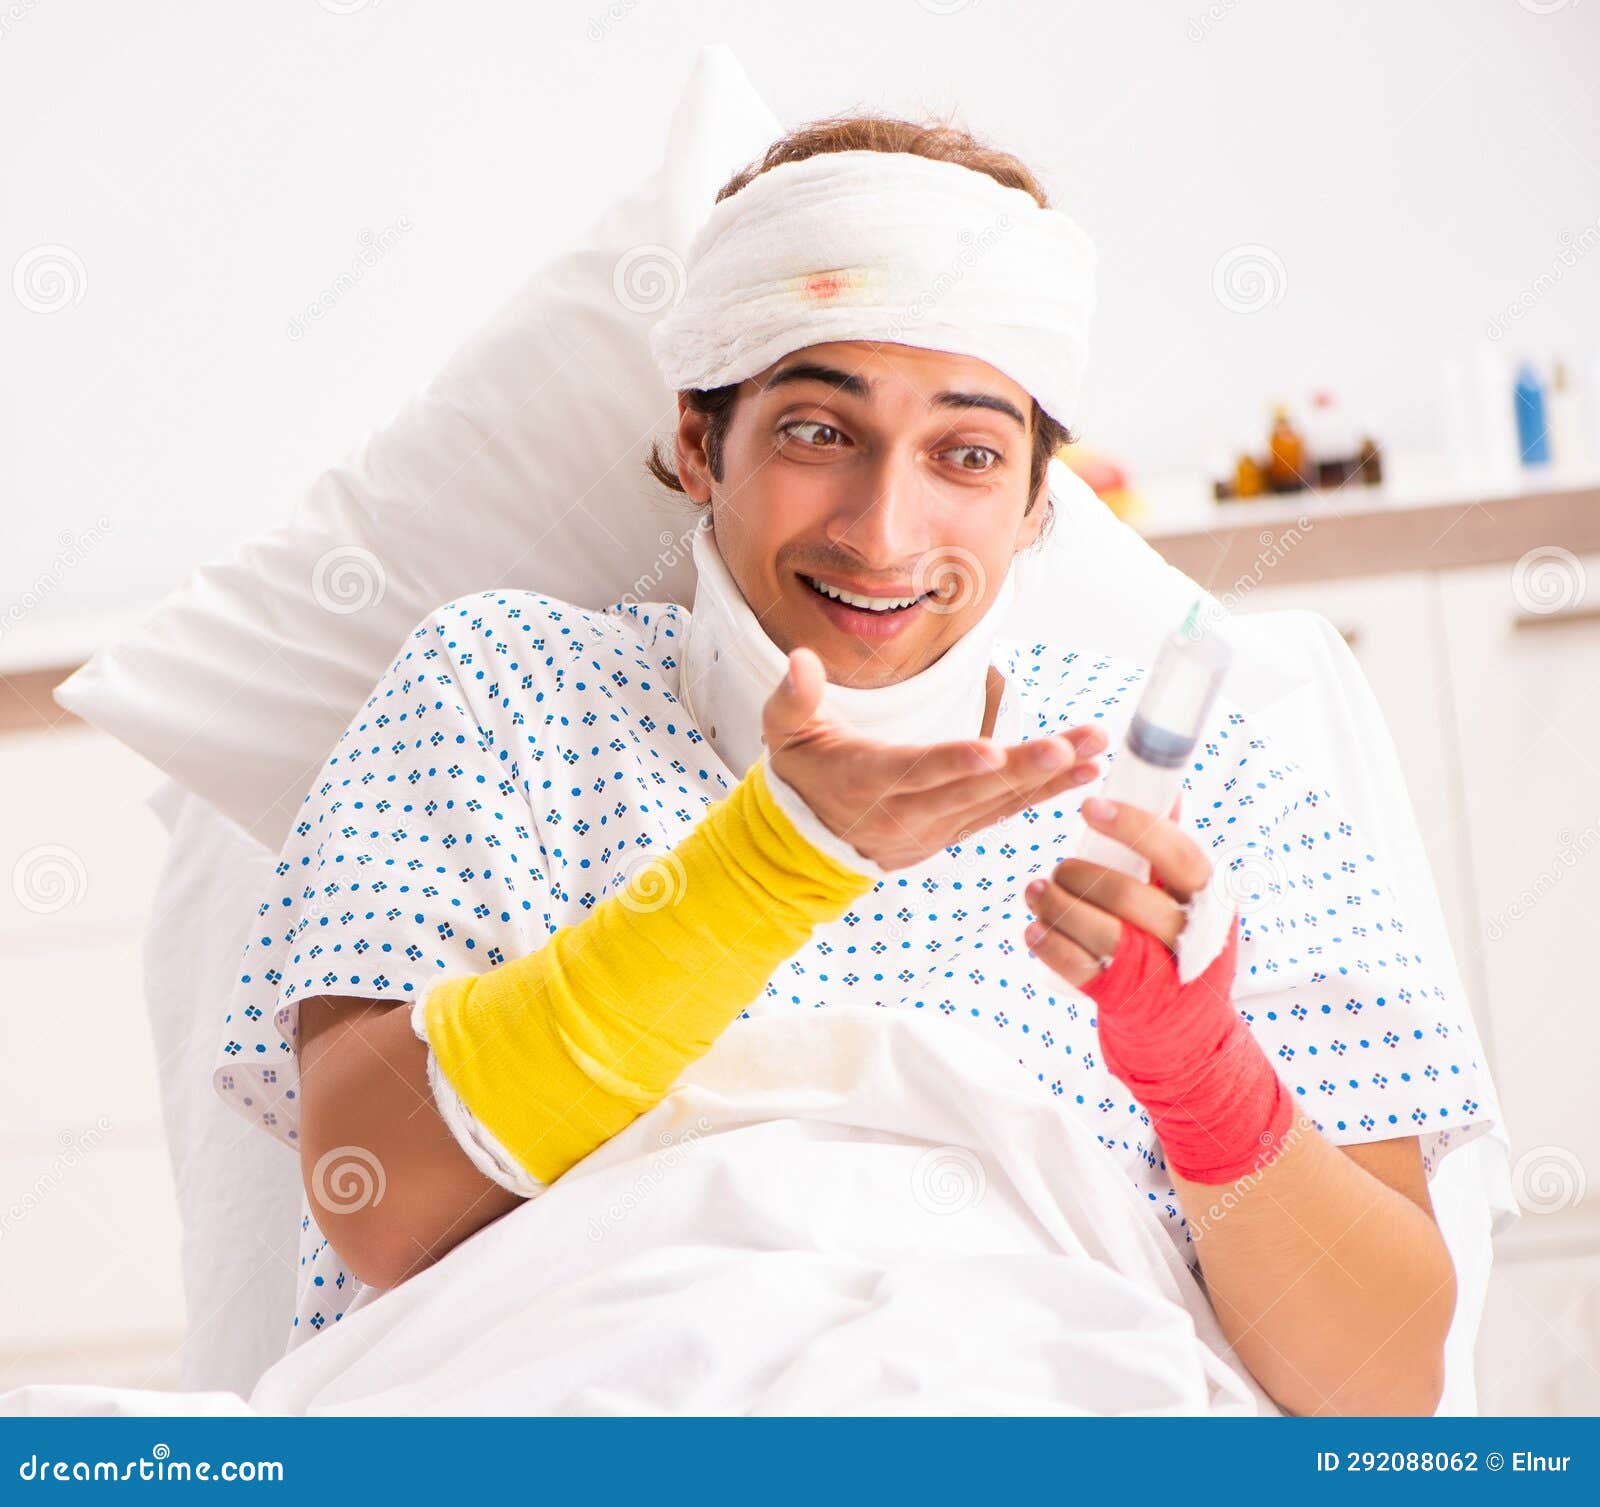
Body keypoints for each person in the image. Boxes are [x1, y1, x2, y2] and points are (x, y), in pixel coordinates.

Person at [213, 115, 1498, 1416]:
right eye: (821, 432)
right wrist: (760, 874)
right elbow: (375, 1207)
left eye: (968, 454)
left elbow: (1384, 1394)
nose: (885, 531)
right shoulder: (504, 692)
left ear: (1038, 493)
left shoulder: (1199, 782)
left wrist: (1198, 1065)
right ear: (704, 440)